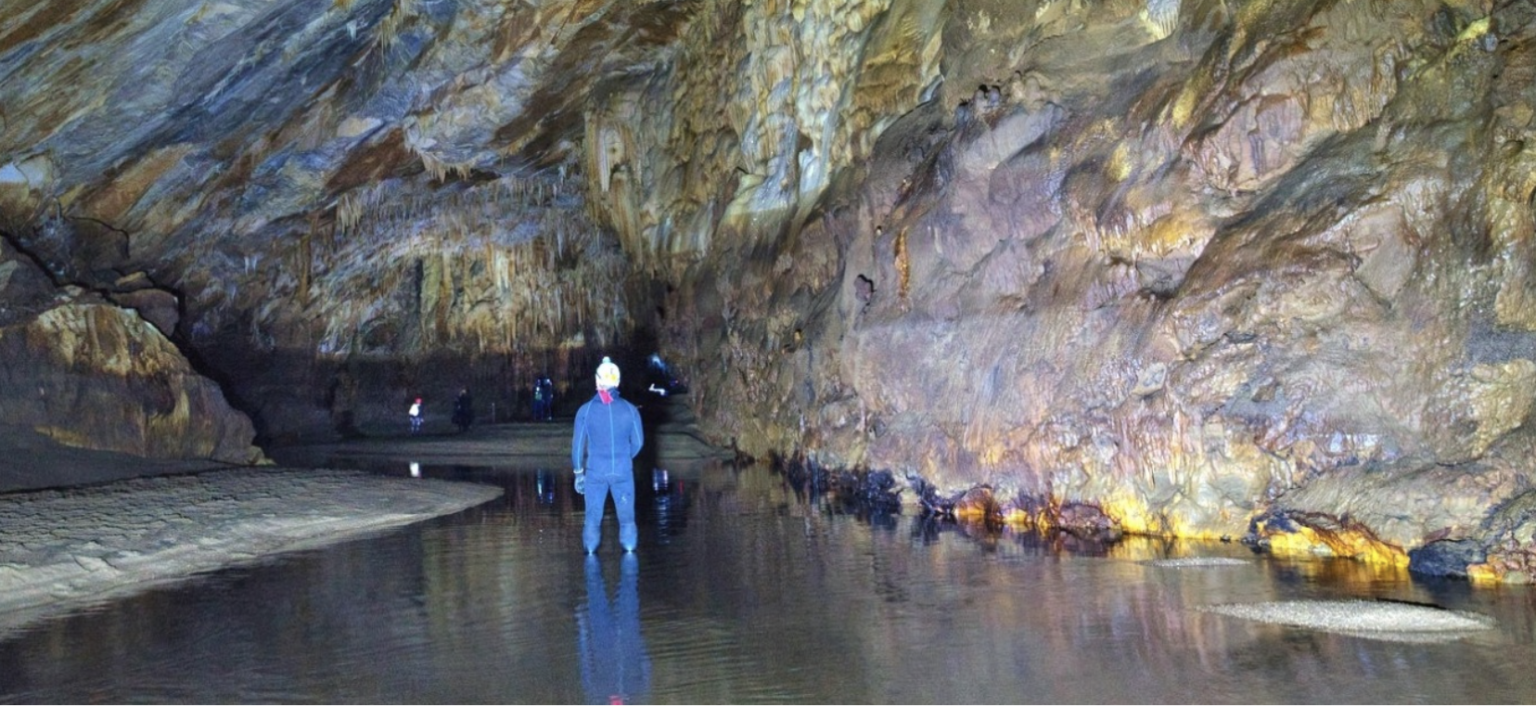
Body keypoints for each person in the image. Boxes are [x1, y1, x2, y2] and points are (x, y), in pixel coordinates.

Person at [572, 357, 644, 553]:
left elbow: (578, 447)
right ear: (618, 382)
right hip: (623, 471)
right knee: (627, 520)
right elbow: (638, 442)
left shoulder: (585, 411)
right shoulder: (630, 410)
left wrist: (579, 473)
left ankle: (590, 555)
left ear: (597, 381)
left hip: (596, 472)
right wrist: (623, 458)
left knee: (592, 520)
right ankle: (630, 554)